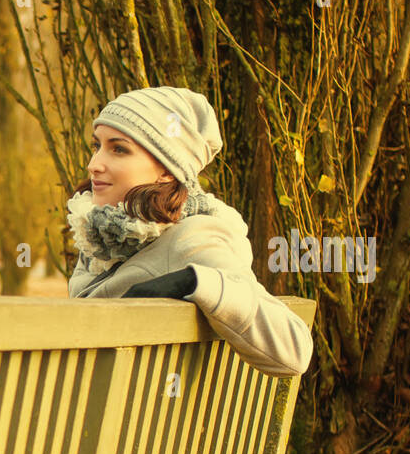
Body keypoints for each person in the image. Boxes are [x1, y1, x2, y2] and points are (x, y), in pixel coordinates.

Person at [66, 86, 313, 378]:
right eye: (97, 146)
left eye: (119, 149)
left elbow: (294, 351)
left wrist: (196, 281)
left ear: (168, 170)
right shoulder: (105, 239)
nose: (94, 164)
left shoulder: (192, 237)